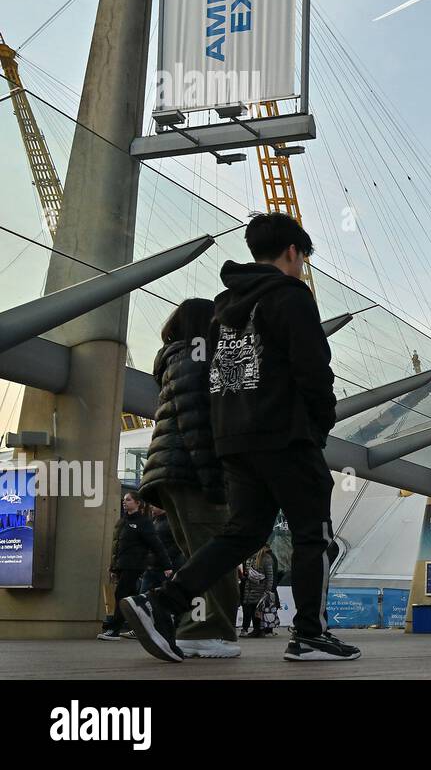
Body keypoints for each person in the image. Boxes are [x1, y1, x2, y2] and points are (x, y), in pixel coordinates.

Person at [121, 213, 357, 663]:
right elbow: (313, 369)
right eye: (304, 257)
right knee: (314, 534)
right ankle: (310, 633)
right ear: (293, 252)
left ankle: (162, 603)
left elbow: (221, 378)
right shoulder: (291, 297)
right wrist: (318, 426)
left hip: (235, 440)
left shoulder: (222, 310)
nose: (303, 265)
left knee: (242, 533)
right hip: (286, 437)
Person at [137, 297, 240, 659]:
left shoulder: (173, 361)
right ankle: (210, 631)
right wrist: (216, 482)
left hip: (169, 474)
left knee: (197, 553)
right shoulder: (198, 361)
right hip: (193, 473)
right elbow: (199, 425)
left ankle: (193, 627)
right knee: (217, 552)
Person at [98, 491, 172, 641]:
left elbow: (156, 545)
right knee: (134, 597)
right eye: (124, 500)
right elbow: (116, 546)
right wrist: (113, 567)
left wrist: (167, 565)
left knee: (121, 594)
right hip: (123, 565)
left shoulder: (144, 523)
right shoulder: (122, 522)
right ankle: (139, 627)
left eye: (129, 500)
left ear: (138, 503)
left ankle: (114, 630)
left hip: (135, 565)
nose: (125, 502)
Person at [240, 545, 277, 638]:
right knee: (253, 609)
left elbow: (270, 577)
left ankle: (259, 630)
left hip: (260, 589)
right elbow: (248, 574)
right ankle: (257, 630)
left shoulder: (266, 558)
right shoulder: (250, 559)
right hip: (250, 589)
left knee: (259, 610)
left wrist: (267, 590)